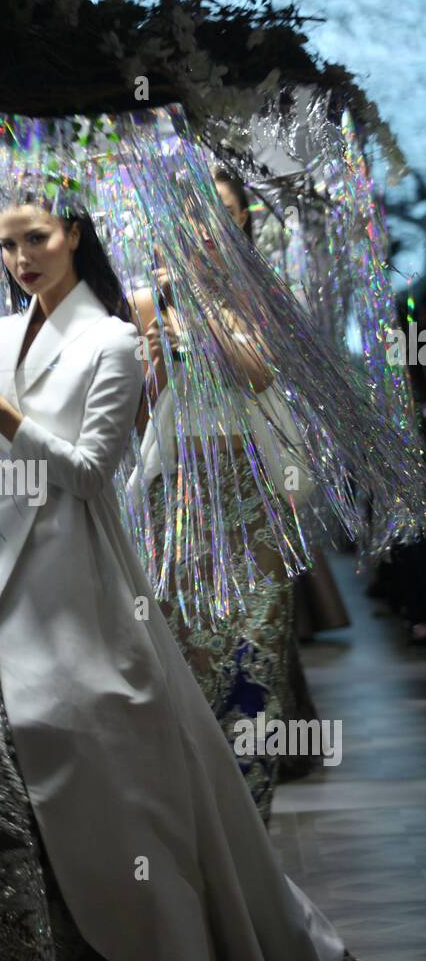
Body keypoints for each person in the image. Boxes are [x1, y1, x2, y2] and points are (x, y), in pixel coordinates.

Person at [0, 193, 379, 961]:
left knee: (111, 780)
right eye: (7, 242)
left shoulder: (108, 338)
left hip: (77, 588)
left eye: (37, 238)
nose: (21, 256)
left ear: (74, 238)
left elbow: (91, 473)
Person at [128, 168, 328, 809]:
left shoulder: (263, 292)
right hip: (181, 491)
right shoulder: (144, 302)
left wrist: (198, 311)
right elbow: (138, 415)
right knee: (189, 657)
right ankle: (202, 828)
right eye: (190, 218)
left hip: (257, 489)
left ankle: (252, 824)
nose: (204, 232)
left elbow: (257, 373)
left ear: (240, 221)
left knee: (256, 655)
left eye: (218, 215)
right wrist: (153, 357)